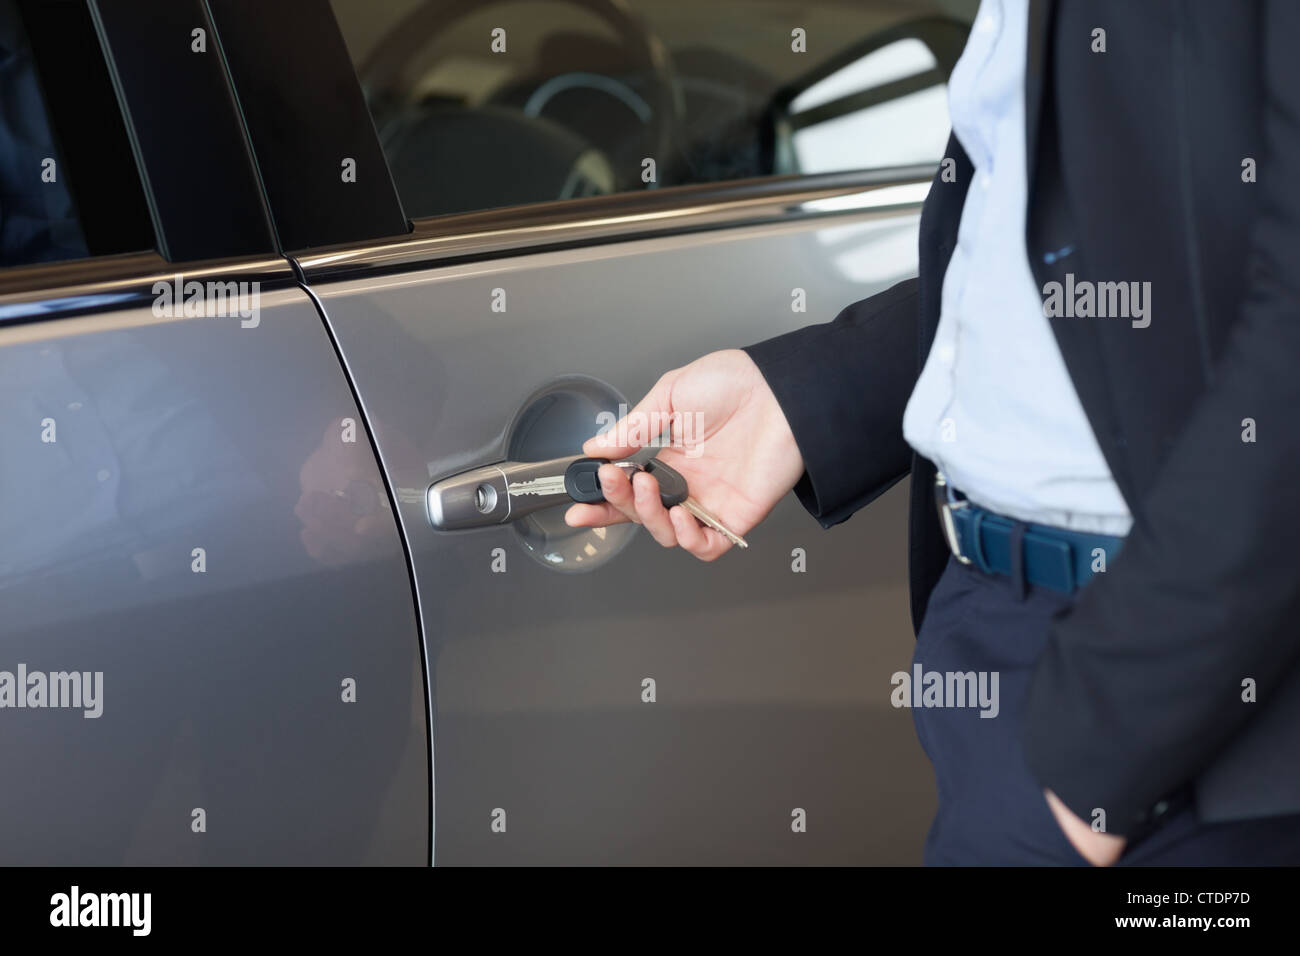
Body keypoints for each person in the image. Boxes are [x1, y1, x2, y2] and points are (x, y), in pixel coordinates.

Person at [566, 0, 1300, 865]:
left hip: (1174, 691)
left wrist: (1102, 756)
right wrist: (803, 396)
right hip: (1004, 629)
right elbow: (1067, 249)